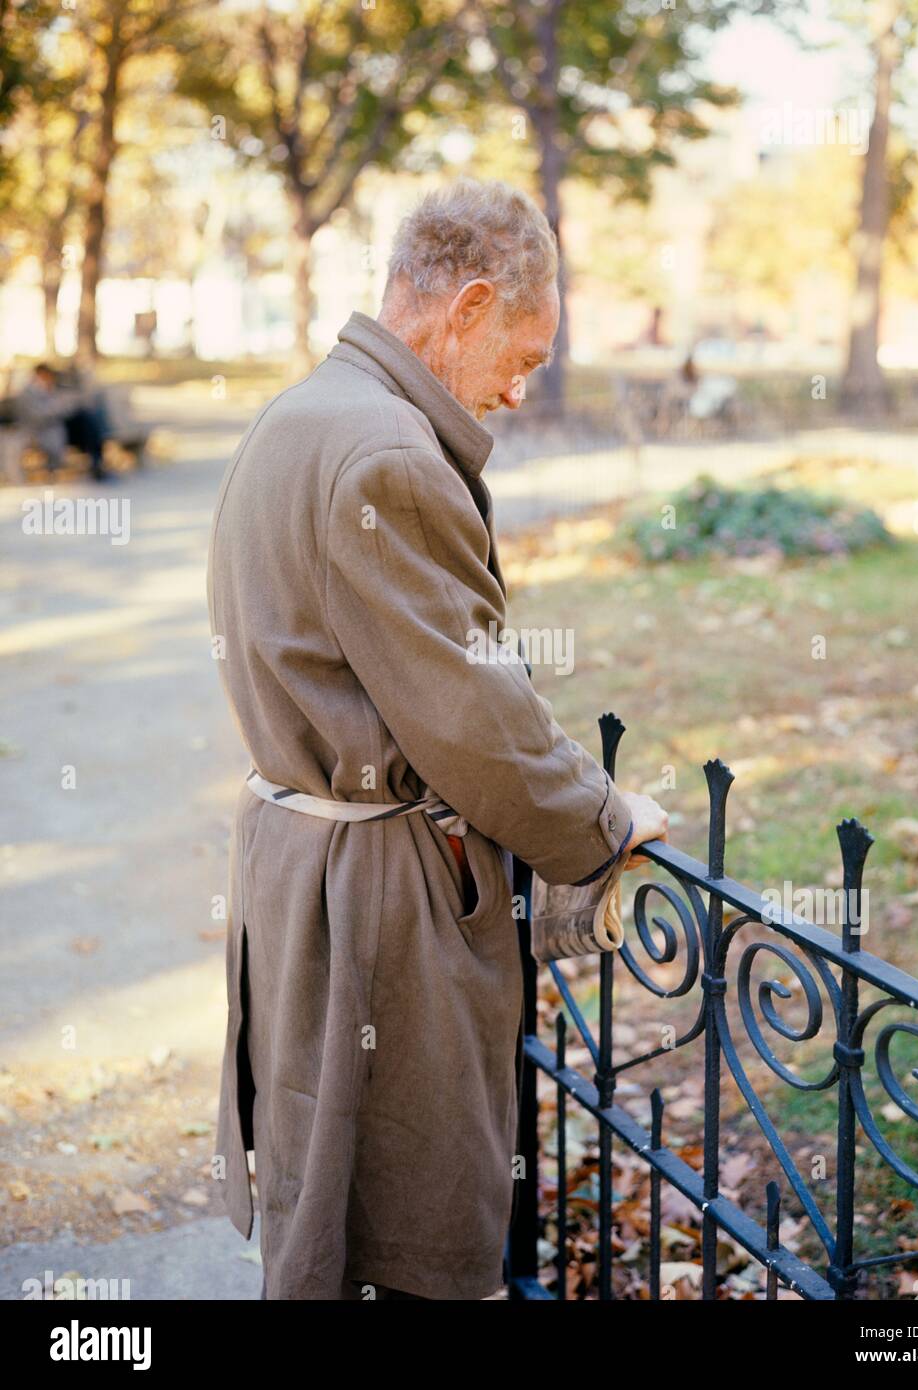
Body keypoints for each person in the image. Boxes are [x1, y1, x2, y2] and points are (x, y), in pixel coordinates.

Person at [207, 177, 669, 1302]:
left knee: (330, 1200)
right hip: (377, 901)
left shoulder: (306, 410)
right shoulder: (389, 457)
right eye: (524, 351)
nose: (518, 388)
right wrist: (604, 819)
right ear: (464, 309)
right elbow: (476, 718)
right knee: (410, 1233)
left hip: (307, 872)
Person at [16, 363, 112, 481]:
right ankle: (96, 461)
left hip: (62, 426)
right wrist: (59, 409)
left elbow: (71, 403)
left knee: (87, 420)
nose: (48, 379)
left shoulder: (55, 389)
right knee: (85, 424)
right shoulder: (27, 393)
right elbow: (37, 415)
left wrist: (67, 407)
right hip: (43, 430)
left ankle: (96, 461)